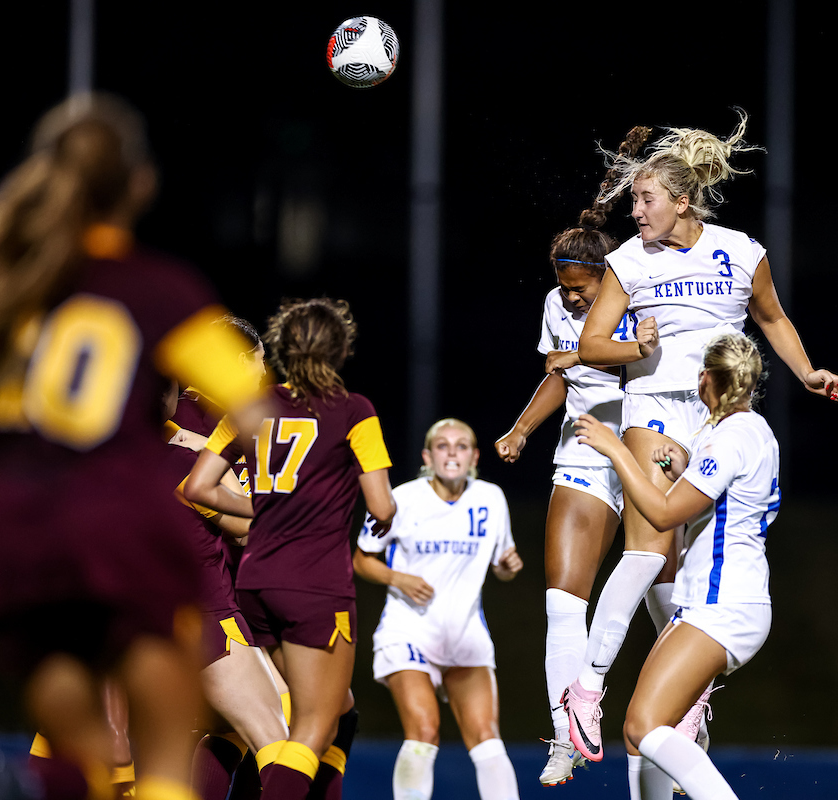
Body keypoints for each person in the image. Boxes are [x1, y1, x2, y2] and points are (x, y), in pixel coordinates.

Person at [0, 93, 265, 800]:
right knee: (163, 722)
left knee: (69, 708)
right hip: (113, 522)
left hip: (9, 531)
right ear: (140, 185)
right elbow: (253, 411)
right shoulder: (156, 287)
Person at [563, 113, 838, 760]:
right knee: (648, 551)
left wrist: (808, 373)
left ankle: (687, 687)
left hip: (714, 418)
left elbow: (771, 318)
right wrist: (634, 347)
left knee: (693, 559)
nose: (634, 211)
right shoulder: (628, 260)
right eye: (634, 200)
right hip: (653, 407)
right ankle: (587, 687)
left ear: (682, 202)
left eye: (646, 200)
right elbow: (591, 344)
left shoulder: (741, 251)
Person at [184, 297, 396, 800]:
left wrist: (263, 507)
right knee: (311, 729)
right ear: (340, 349)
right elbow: (382, 506)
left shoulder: (246, 412)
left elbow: (198, 487)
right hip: (302, 585)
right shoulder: (352, 410)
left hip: (251, 586)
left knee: (254, 725)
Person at [494, 126, 652, 785]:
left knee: (666, 603)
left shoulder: (643, 287)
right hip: (584, 448)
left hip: (648, 447)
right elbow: (559, 376)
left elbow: (650, 362)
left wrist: (589, 353)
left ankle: (683, 717)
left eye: (583, 289)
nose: (572, 299)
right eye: (565, 289)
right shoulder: (555, 304)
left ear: (607, 276)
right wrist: (522, 429)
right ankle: (566, 733)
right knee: (563, 602)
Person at [574, 332, 778, 800]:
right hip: (717, 602)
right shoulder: (750, 431)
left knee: (645, 726)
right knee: (640, 732)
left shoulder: (730, 438)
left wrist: (616, 449)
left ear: (707, 378)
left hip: (723, 605)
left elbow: (664, 514)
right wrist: (685, 468)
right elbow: (724, 497)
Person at [355, 418, 524, 800]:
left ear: (474, 457)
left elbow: (502, 565)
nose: (452, 453)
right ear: (427, 457)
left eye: (461, 445)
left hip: (465, 634)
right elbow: (361, 559)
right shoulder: (400, 499)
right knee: (424, 730)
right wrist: (398, 579)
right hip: (408, 630)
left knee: (486, 737)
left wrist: (507, 567)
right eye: (442, 446)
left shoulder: (491, 498)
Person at [161, 315, 293, 800]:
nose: (264, 374)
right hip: (207, 601)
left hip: (219, 593)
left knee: (238, 726)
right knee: (279, 733)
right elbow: (241, 523)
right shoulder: (195, 420)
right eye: (259, 362)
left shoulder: (230, 419)